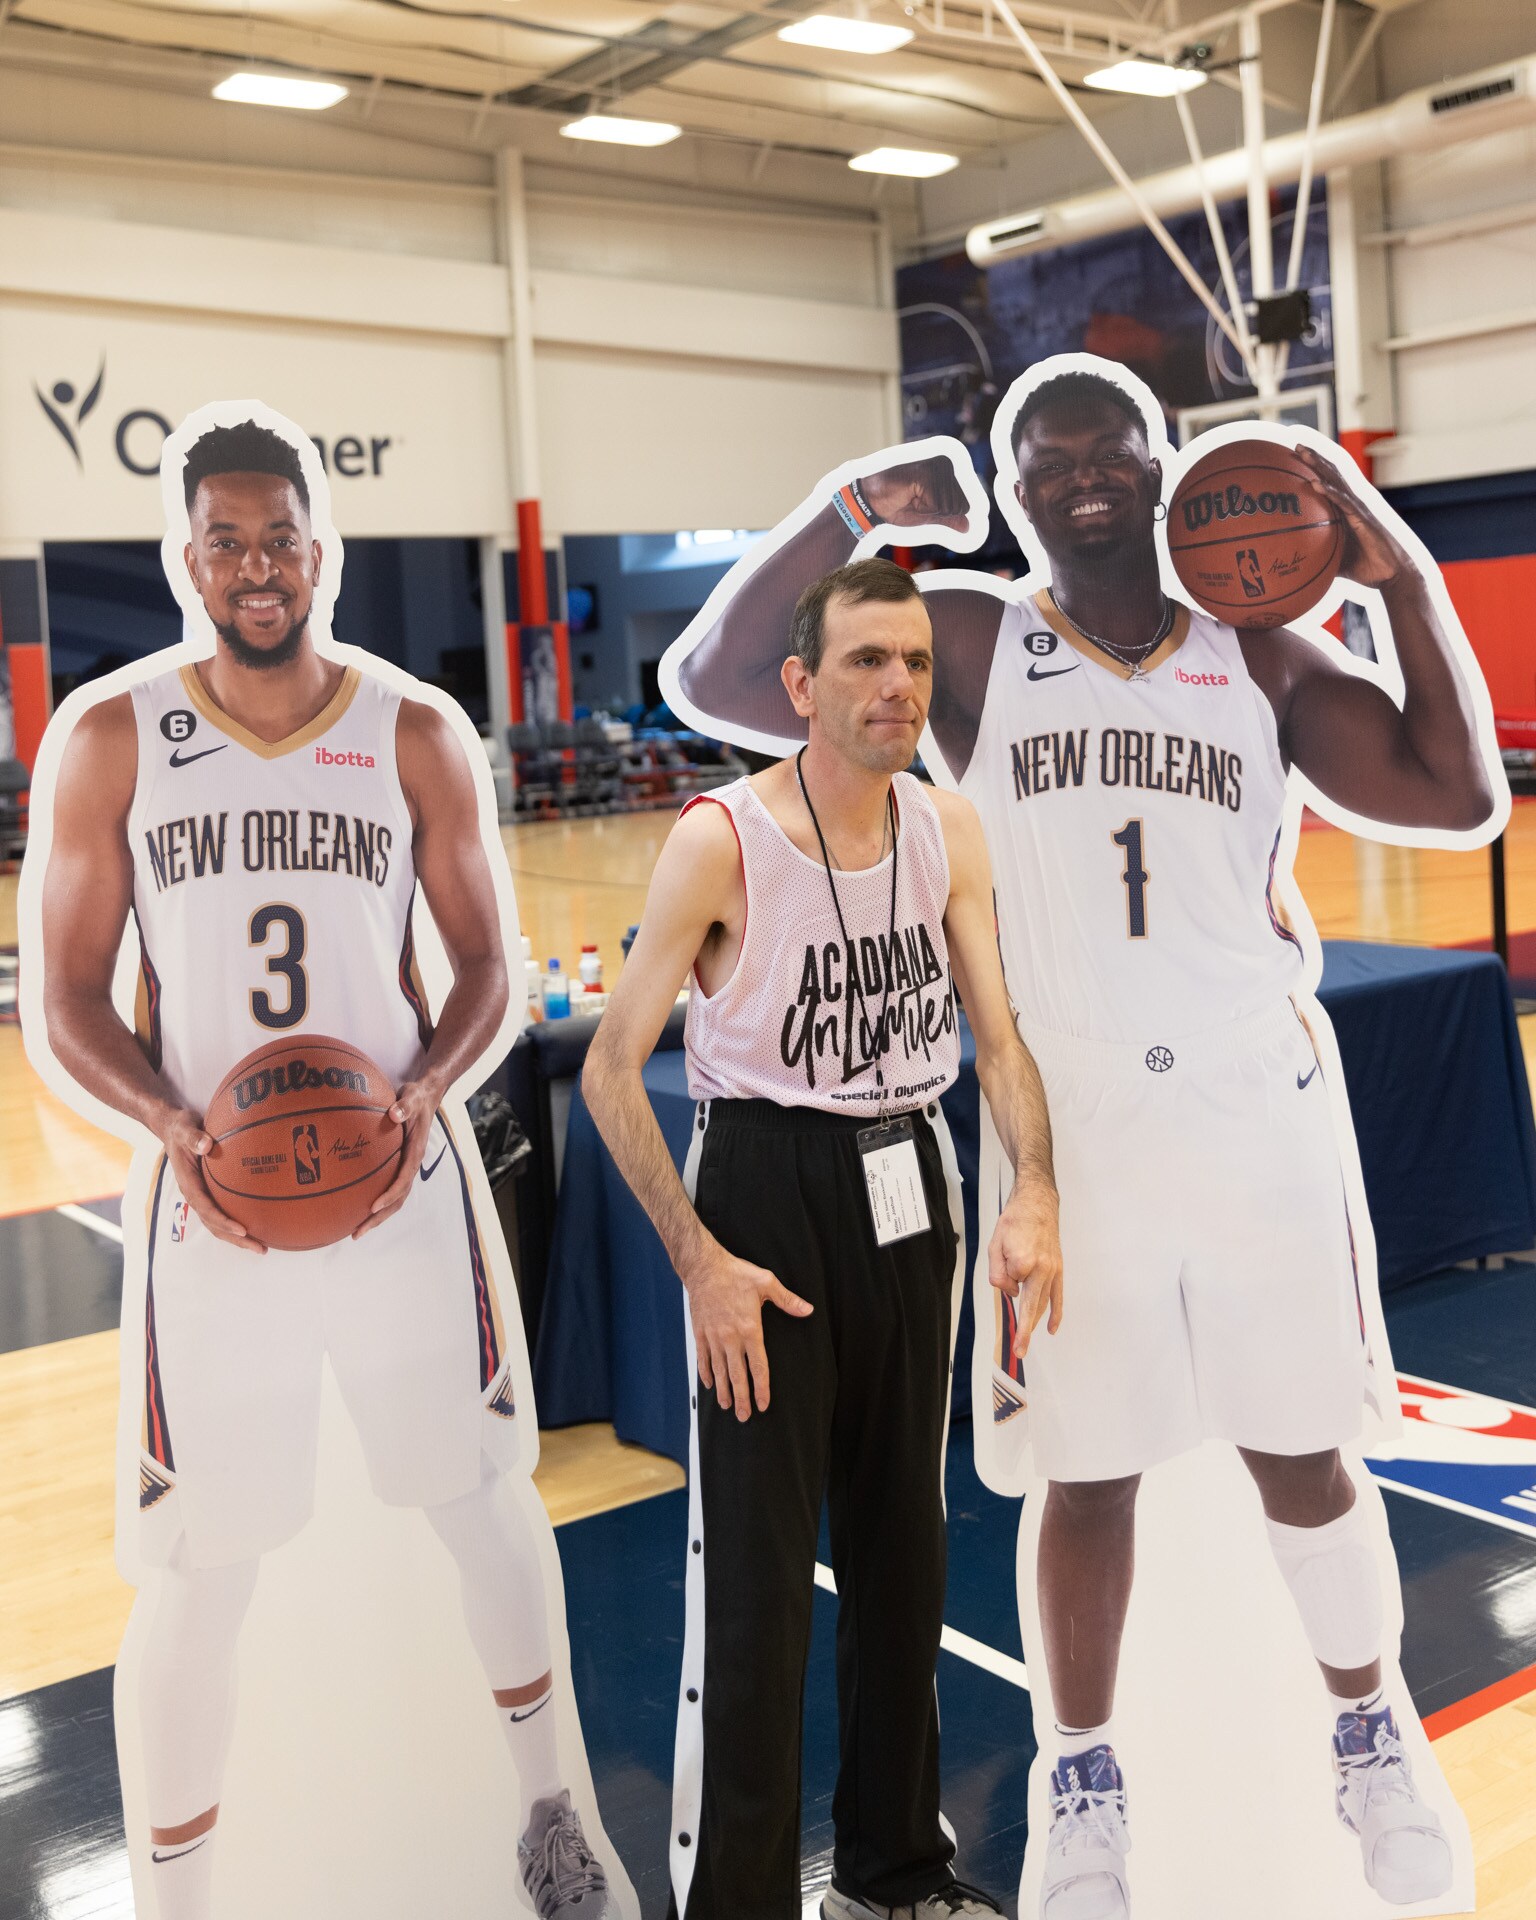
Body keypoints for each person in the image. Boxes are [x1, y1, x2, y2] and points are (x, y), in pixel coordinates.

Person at [665, 367, 1497, 1917]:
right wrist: (855, 510)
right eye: (1043, 464)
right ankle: (1082, 1782)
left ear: (1161, 466)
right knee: (1087, 1472)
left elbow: (1454, 791)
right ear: (1019, 492)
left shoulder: (1258, 649)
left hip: (1253, 1094)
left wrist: (1398, 570)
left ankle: (1370, 1729)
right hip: (1075, 1119)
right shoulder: (975, 641)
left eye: (1107, 451)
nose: (1078, 479)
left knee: (1302, 1450)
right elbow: (718, 679)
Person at [37, 420, 615, 1920]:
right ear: (187, 558)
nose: (255, 566)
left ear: (322, 551)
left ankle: (551, 1814)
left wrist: (427, 1087)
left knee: (484, 1496)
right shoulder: (113, 735)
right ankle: (180, 1895)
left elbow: (486, 962)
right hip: (216, 1210)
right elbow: (68, 996)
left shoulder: (411, 728)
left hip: (400, 1187)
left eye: (279, 537)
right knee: (196, 1568)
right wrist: (171, 1125)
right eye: (224, 539)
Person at [583, 557, 1064, 1920]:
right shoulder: (720, 839)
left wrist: (1033, 1189)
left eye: (913, 661)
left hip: (911, 1174)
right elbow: (617, 1069)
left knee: (905, 1560)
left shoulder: (948, 829)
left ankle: (892, 1872)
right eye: (865, 661)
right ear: (800, 685)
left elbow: (999, 1034)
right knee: (759, 1593)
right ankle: (740, 1901)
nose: (896, 685)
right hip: (763, 1203)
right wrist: (701, 1264)